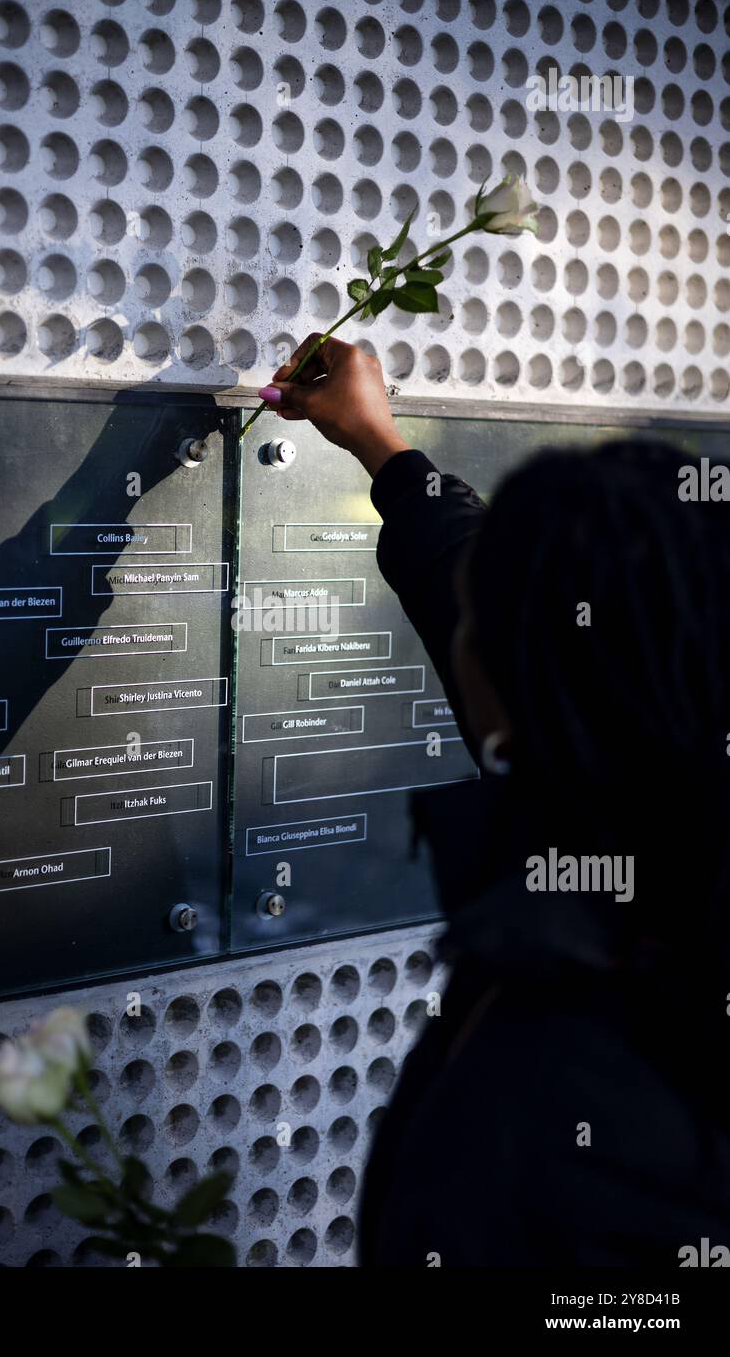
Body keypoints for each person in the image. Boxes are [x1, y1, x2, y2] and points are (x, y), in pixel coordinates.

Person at [258, 337, 730, 1267]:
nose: (461, 626)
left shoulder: (568, 1106)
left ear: (515, 679)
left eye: (484, 615)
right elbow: (477, 578)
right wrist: (380, 446)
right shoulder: (630, 753)